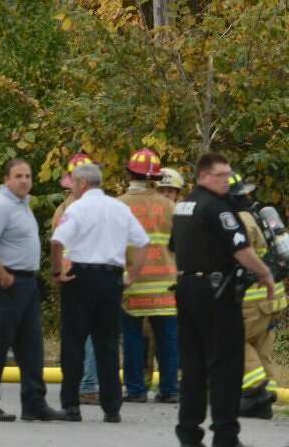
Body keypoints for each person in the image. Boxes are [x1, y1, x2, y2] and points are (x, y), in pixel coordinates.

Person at [171, 152, 275, 447]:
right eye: (221, 175)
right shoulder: (218, 208)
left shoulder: (184, 205)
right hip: (216, 292)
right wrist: (265, 273)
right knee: (226, 365)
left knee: (193, 365)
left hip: (187, 287)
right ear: (204, 176)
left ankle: (189, 433)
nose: (227, 181)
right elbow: (242, 250)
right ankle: (225, 436)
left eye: (229, 174)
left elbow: (174, 247)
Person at [51, 162, 150, 423]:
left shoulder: (77, 208)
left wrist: (57, 272)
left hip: (80, 278)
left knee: (73, 343)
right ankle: (112, 408)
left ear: (82, 183)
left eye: (74, 183)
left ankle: (71, 406)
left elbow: (57, 241)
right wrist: (132, 276)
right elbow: (143, 242)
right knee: (107, 344)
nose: (72, 188)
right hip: (111, 279)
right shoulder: (119, 208)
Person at [0, 158, 66, 422]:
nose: (24, 180)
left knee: (31, 345)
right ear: (6, 179)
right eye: (18, 176)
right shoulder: (0, 205)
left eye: (28, 176)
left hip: (25, 282)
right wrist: (2, 274)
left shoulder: (22, 205)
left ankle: (34, 403)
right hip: (5, 282)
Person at [118, 147, 179, 404]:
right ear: (155, 178)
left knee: (132, 338)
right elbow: (180, 245)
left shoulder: (119, 205)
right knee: (167, 340)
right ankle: (170, 390)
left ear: (130, 174)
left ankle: (135, 390)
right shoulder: (170, 206)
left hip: (130, 283)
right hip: (165, 285)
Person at [227, 173, 285, 419]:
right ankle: (266, 398)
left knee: (232, 339)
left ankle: (255, 392)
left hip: (251, 300)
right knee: (262, 347)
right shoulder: (258, 215)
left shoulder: (237, 221)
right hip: (274, 298)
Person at [50, 152, 100, 405]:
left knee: (75, 332)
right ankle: (87, 385)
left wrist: (57, 272)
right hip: (84, 272)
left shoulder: (64, 208)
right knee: (90, 332)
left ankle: (77, 382)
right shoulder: (79, 208)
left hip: (69, 274)